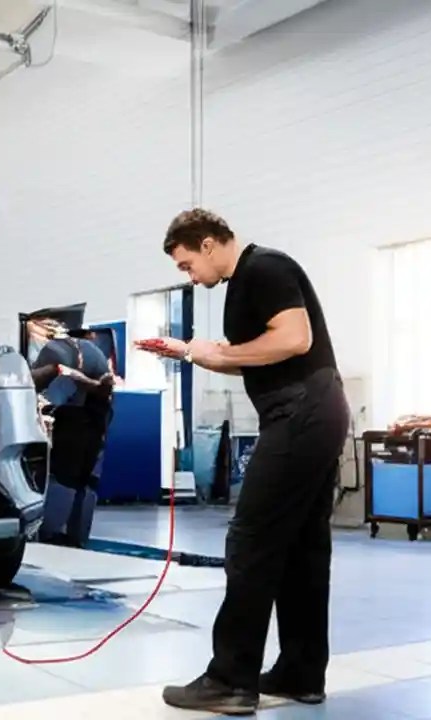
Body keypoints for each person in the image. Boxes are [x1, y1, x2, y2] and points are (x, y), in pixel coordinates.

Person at [137, 208, 349, 715]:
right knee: (301, 546)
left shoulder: (265, 268)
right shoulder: (247, 280)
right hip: (315, 409)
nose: (190, 276)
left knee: (251, 540)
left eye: (187, 264)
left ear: (209, 244)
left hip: (301, 411)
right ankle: (300, 673)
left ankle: (230, 680)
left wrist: (218, 355)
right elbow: (259, 355)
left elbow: (294, 339)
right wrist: (192, 352)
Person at [29, 323, 116, 547]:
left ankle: (51, 533)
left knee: (61, 476)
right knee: (87, 480)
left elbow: (43, 392)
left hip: (70, 419)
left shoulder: (54, 350)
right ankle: (77, 537)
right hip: (94, 420)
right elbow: (106, 389)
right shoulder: (95, 353)